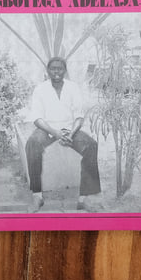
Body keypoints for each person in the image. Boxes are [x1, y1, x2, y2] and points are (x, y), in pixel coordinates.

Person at [25, 57, 101, 211]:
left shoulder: (73, 88)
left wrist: (71, 135)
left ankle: (83, 199)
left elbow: (79, 116)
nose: (56, 72)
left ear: (65, 70)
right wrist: (55, 133)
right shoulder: (40, 89)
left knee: (91, 145)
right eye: (53, 68)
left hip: (69, 129)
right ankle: (37, 196)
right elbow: (37, 118)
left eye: (60, 68)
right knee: (32, 144)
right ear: (48, 70)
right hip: (47, 129)